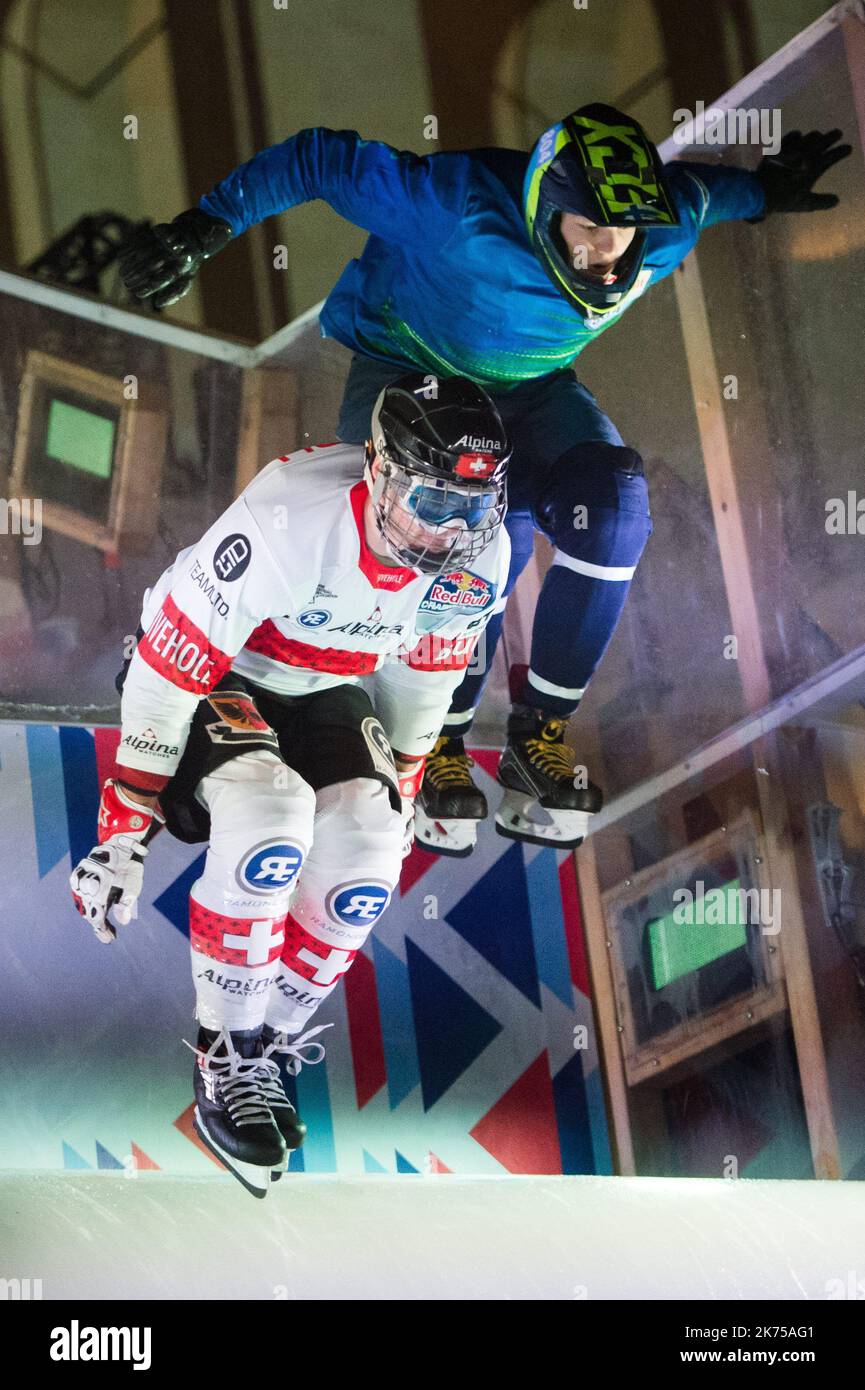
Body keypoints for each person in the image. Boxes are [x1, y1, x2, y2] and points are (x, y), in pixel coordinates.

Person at [119, 105, 850, 854]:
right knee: (448, 536)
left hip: (532, 388)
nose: (607, 253)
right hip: (407, 364)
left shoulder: (662, 224)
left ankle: (539, 733)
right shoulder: (454, 202)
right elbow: (317, 158)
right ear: (540, 209)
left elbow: (703, 191)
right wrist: (199, 231)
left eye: (623, 230)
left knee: (615, 510)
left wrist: (768, 191)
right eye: (587, 230)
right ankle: (439, 736)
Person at [69, 374, 511, 1197]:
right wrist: (122, 830)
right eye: (430, 500)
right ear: (378, 471)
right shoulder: (289, 517)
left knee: (371, 847)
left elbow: (422, 683)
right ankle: (224, 1051)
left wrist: (401, 787)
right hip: (214, 670)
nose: (447, 530)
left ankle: (265, 1049)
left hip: (327, 683)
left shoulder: (483, 553)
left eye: (470, 509)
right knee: (272, 816)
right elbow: (168, 674)